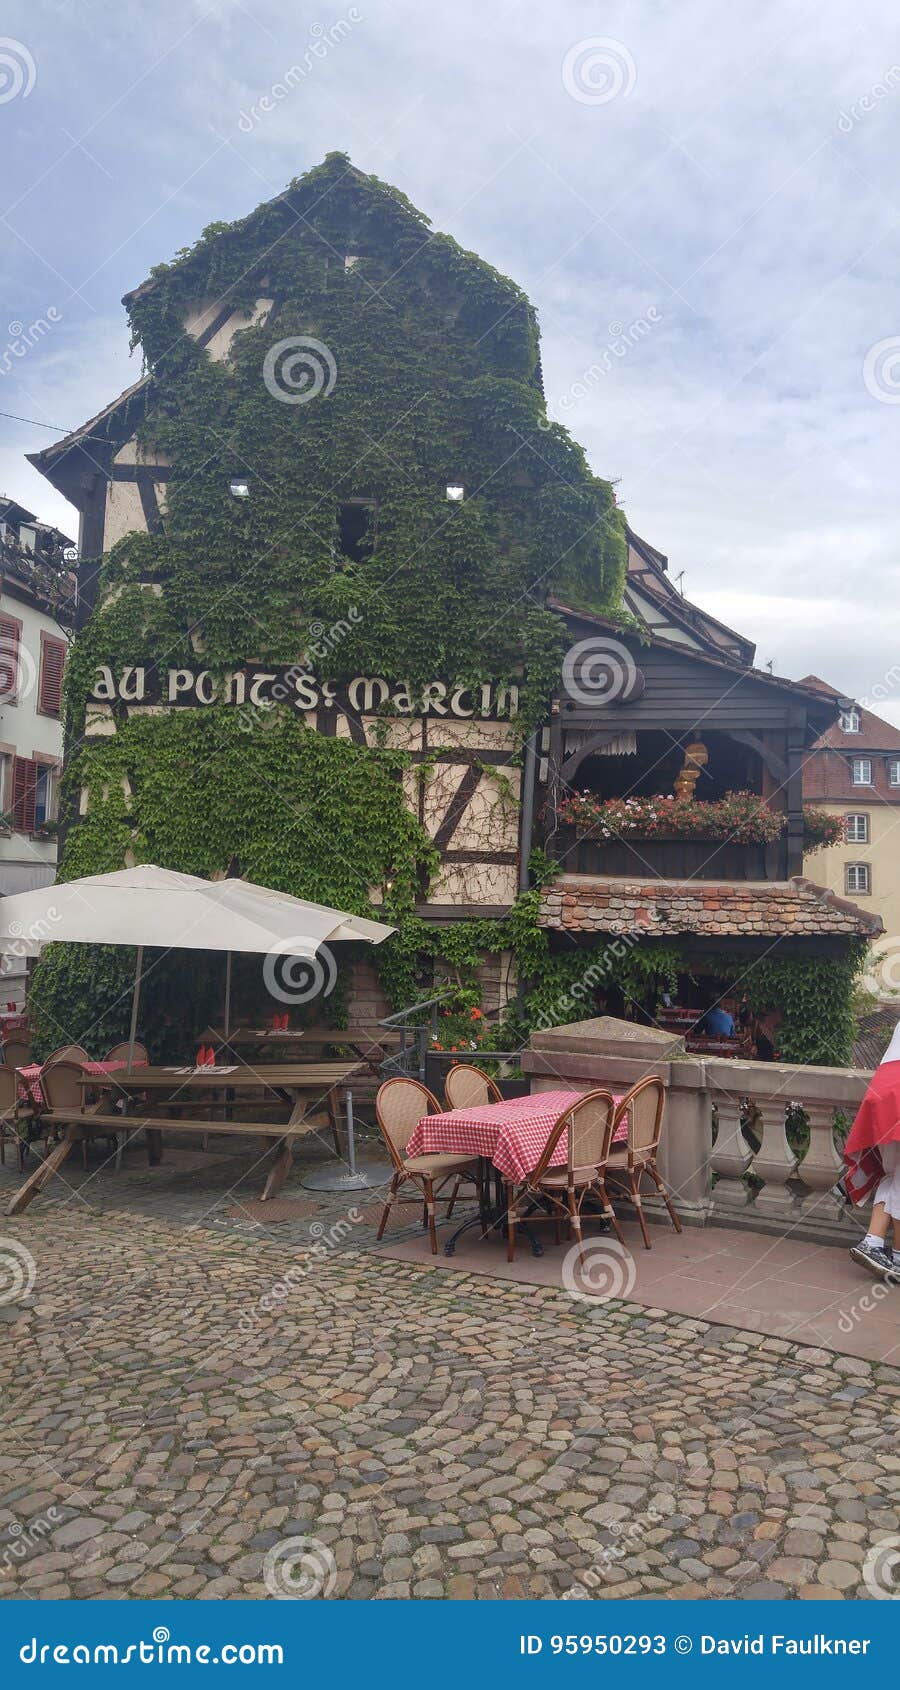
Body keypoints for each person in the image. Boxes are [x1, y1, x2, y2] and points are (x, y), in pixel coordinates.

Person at [844, 1022, 900, 1281]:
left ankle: (874, 1242)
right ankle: (898, 1258)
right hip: (895, 1100)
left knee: (893, 1175)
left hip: (886, 1099)